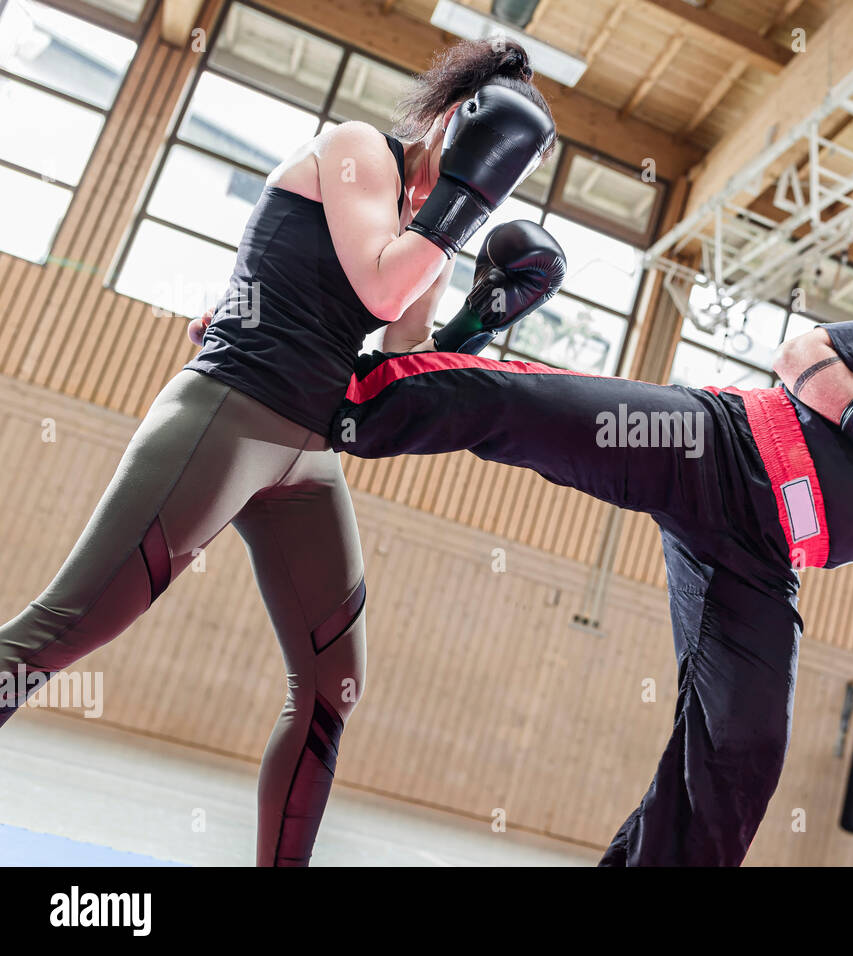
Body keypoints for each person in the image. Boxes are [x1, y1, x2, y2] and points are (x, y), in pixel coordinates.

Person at [0, 38, 558, 866]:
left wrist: (478, 324)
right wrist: (464, 208)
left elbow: (401, 361)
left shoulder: (427, 229)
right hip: (228, 415)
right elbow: (376, 285)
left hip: (307, 457)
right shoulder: (357, 150)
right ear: (455, 117)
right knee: (56, 635)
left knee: (334, 685)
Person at [329, 309, 853, 865]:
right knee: (531, 405)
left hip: (759, 558)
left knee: (744, 751)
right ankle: (337, 393)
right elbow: (801, 354)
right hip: (713, 443)